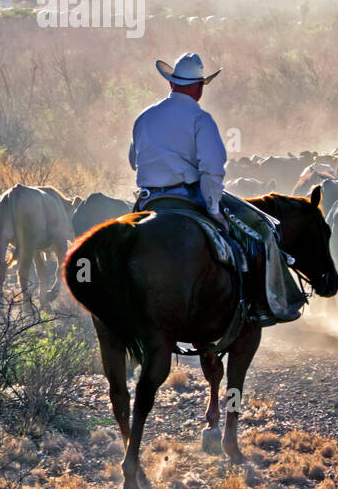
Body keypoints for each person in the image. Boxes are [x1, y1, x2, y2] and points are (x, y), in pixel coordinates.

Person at [129, 52, 303, 324]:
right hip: (190, 196)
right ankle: (263, 305)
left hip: (148, 200)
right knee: (261, 231)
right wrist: (213, 209)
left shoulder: (144, 117)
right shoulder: (201, 120)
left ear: (171, 84)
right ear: (199, 89)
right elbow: (212, 170)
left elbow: (133, 161)